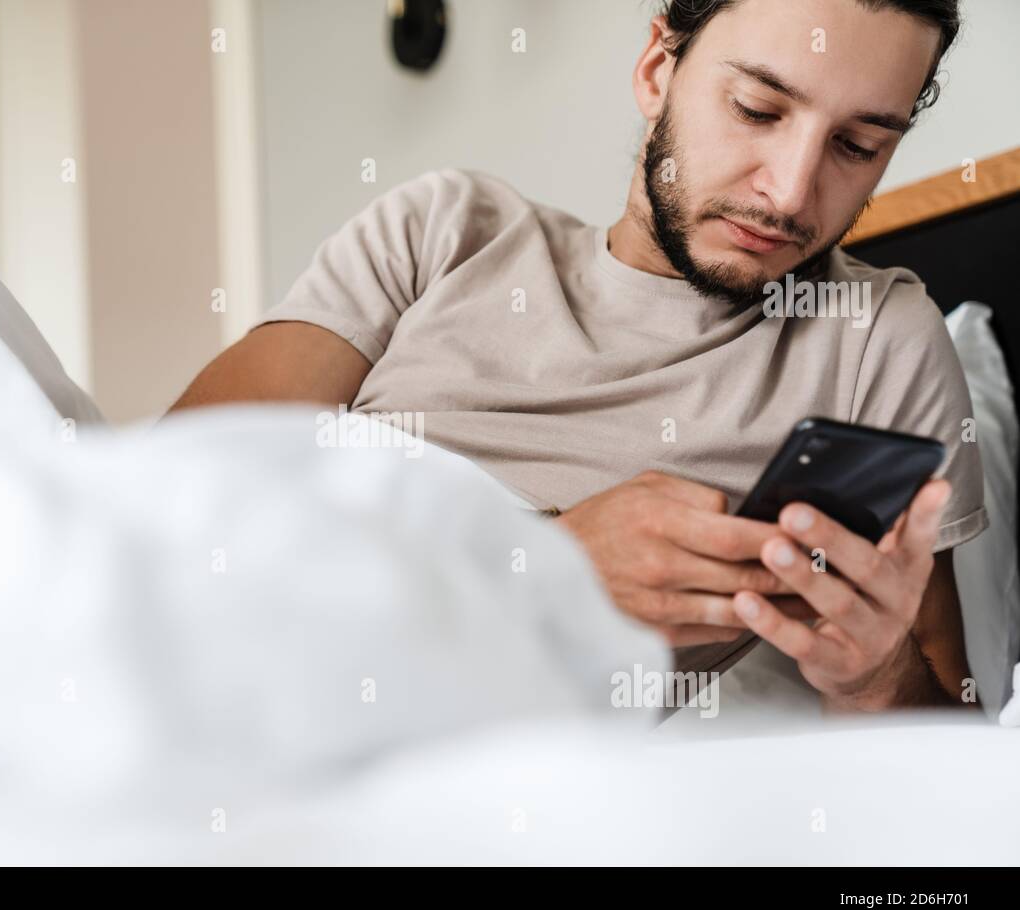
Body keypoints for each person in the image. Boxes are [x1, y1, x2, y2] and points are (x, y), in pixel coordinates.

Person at [169, 0, 986, 712]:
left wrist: (874, 676)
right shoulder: (445, 231)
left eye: (856, 145)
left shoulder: (876, 338)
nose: (791, 192)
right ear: (658, 70)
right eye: (757, 109)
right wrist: (542, 565)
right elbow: (172, 505)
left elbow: (948, 782)